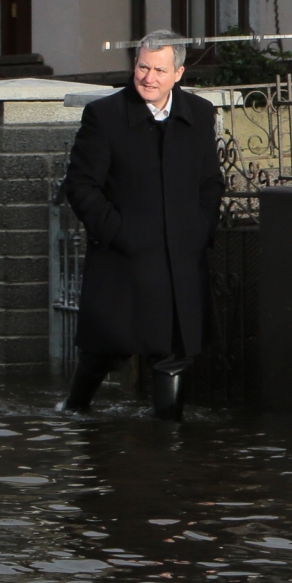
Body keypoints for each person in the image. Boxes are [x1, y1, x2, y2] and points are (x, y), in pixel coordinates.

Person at [61, 32, 224, 420]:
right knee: (105, 348)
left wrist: (199, 229)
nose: (148, 78)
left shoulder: (200, 114)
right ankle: (74, 410)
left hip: (180, 258)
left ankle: (169, 431)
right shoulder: (105, 115)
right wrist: (118, 232)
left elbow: (210, 182)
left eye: (159, 70)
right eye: (142, 67)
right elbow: (81, 185)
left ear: (178, 73)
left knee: (173, 352)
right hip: (123, 259)